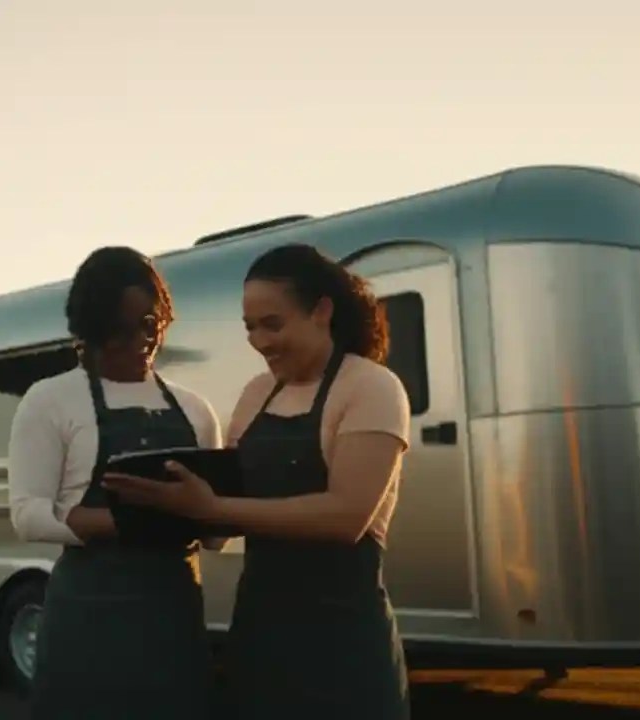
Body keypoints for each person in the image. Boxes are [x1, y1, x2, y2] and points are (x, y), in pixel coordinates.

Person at [103, 242, 412, 719]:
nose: (260, 341)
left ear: (322, 312)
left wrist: (209, 508)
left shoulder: (371, 386)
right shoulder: (256, 393)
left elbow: (346, 516)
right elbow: (219, 525)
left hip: (343, 641)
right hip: (259, 638)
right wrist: (156, 498)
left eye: (274, 324)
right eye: (250, 327)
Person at [7, 246, 222, 720]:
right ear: (89, 329)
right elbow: (26, 513)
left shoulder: (195, 410)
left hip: (174, 618)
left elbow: (214, 536)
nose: (139, 341)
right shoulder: (49, 400)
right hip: (87, 617)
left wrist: (216, 509)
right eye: (121, 331)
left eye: (150, 324)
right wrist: (116, 521)